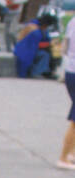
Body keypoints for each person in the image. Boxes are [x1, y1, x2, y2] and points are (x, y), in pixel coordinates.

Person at [13, 11, 54, 76]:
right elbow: (34, 45)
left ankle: (45, 71)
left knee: (46, 54)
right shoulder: (34, 29)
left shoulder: (39, 27)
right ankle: (35, 73)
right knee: (45, 55)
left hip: (30, 48)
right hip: (24, 50)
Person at [59, 13, 75, 168]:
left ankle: (70, 153)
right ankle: (63, 157)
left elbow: (65, 47)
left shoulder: (72, 21)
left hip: (71, 71)